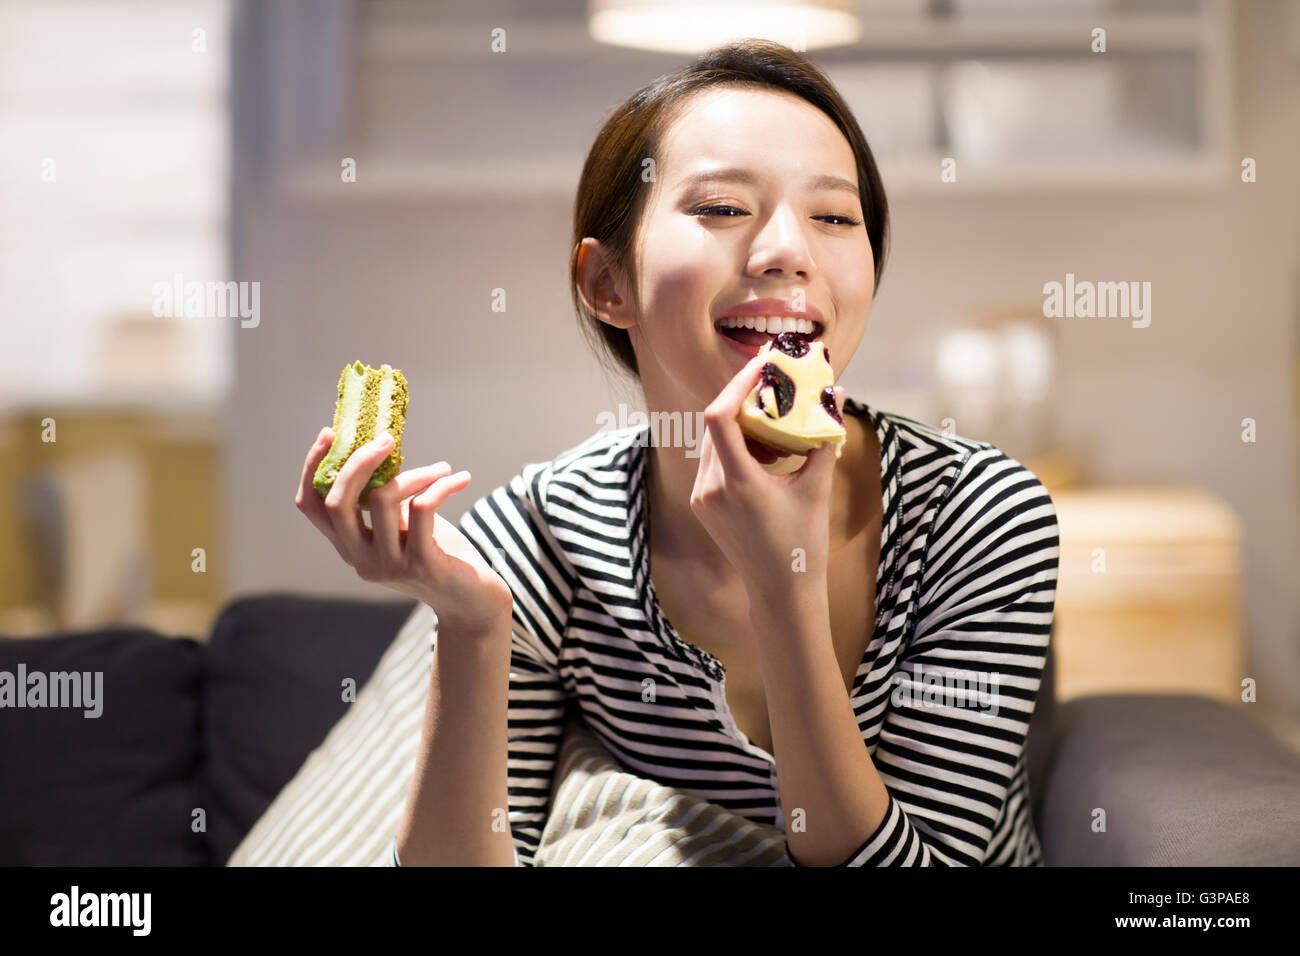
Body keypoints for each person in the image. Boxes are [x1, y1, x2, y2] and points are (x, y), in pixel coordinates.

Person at [295, 38, 1060, 867]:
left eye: (835, 217)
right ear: (606, 284)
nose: (787, 253)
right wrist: (472, 627)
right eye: (724, 209)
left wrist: (784, 584)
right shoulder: (543, 533)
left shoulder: (983, 514)